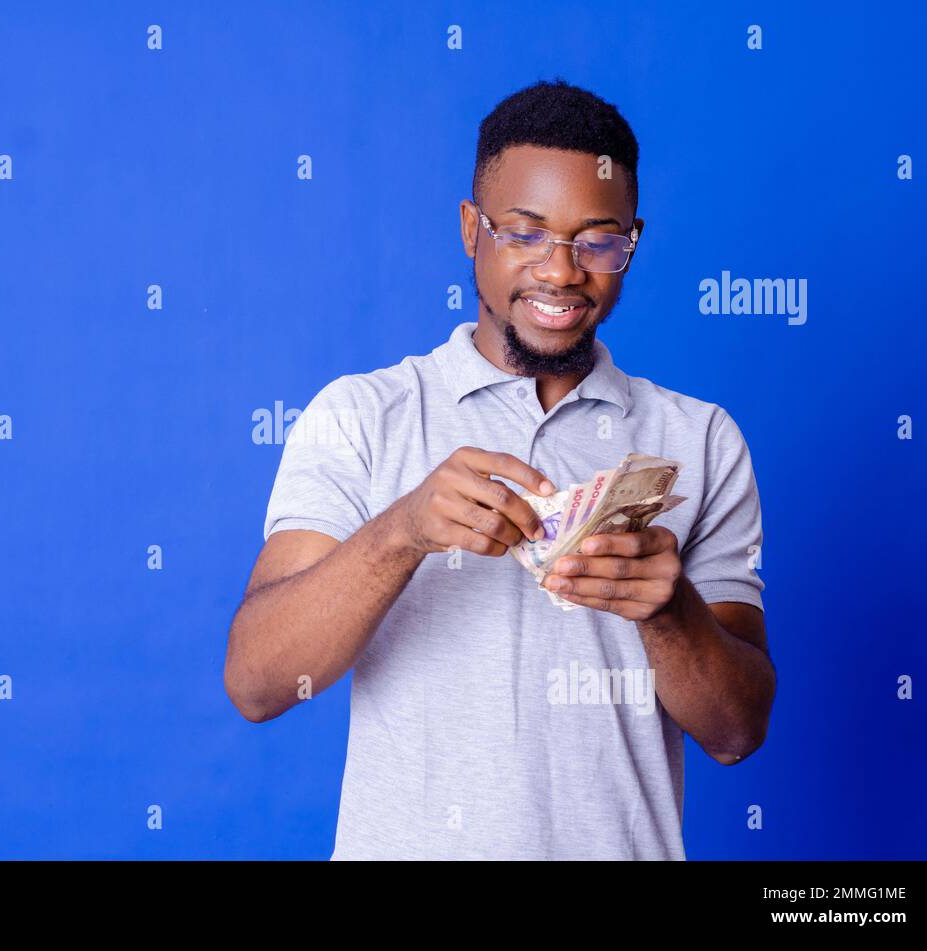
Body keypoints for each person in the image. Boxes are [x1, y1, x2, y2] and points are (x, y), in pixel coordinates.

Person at [224, 79, 776, 860]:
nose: (561, 271)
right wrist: (402, 531)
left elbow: (737, 731)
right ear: (470, 230)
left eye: (598, 240)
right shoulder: (361, 415)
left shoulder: (702, 438)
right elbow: (256, 681)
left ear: (633, 241)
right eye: (524, 233)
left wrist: (667, 609)